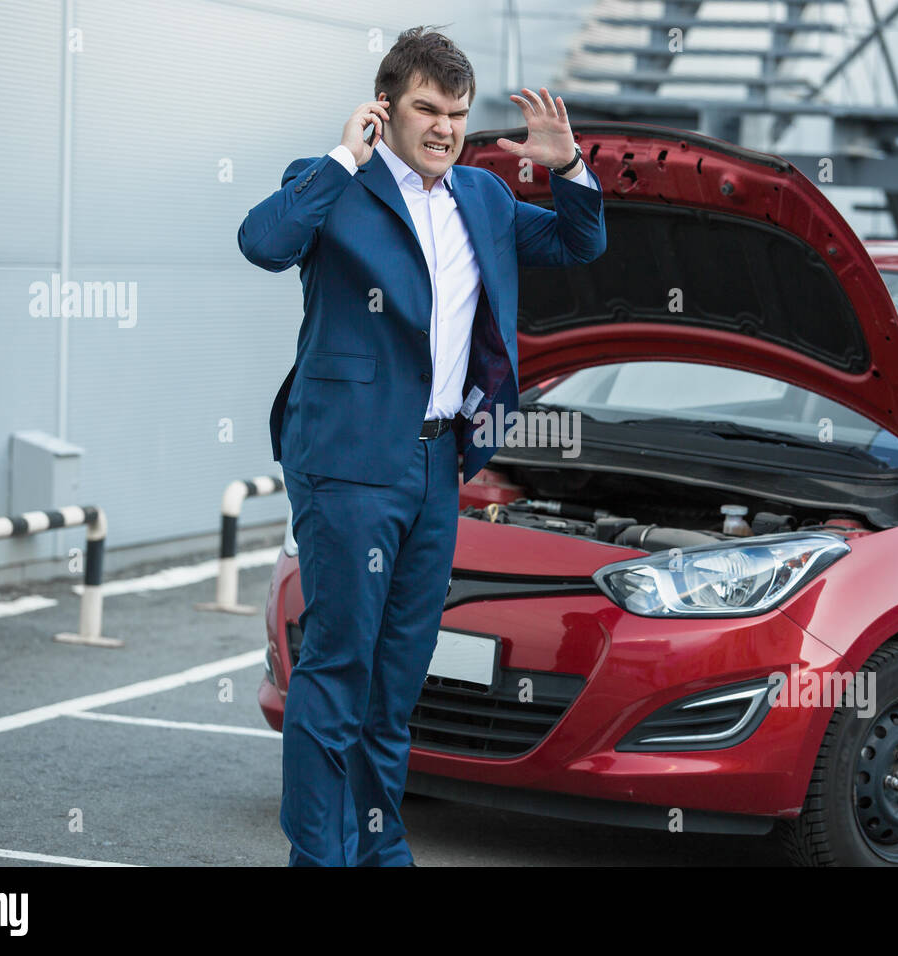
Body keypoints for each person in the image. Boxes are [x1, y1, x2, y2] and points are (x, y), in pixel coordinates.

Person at [236, 24, 606, 867]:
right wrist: (341, 160)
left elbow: (582, 245)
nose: (444, 127)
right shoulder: (336, 186)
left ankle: (379, 849)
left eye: (457, 113)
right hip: (349, 463)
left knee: (397, 680)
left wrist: (568, 168)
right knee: (336, 669)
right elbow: (263, 243)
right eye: (426, 108)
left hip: (440, 465)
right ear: (386, 108)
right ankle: (319, 859)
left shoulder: (482, 198)